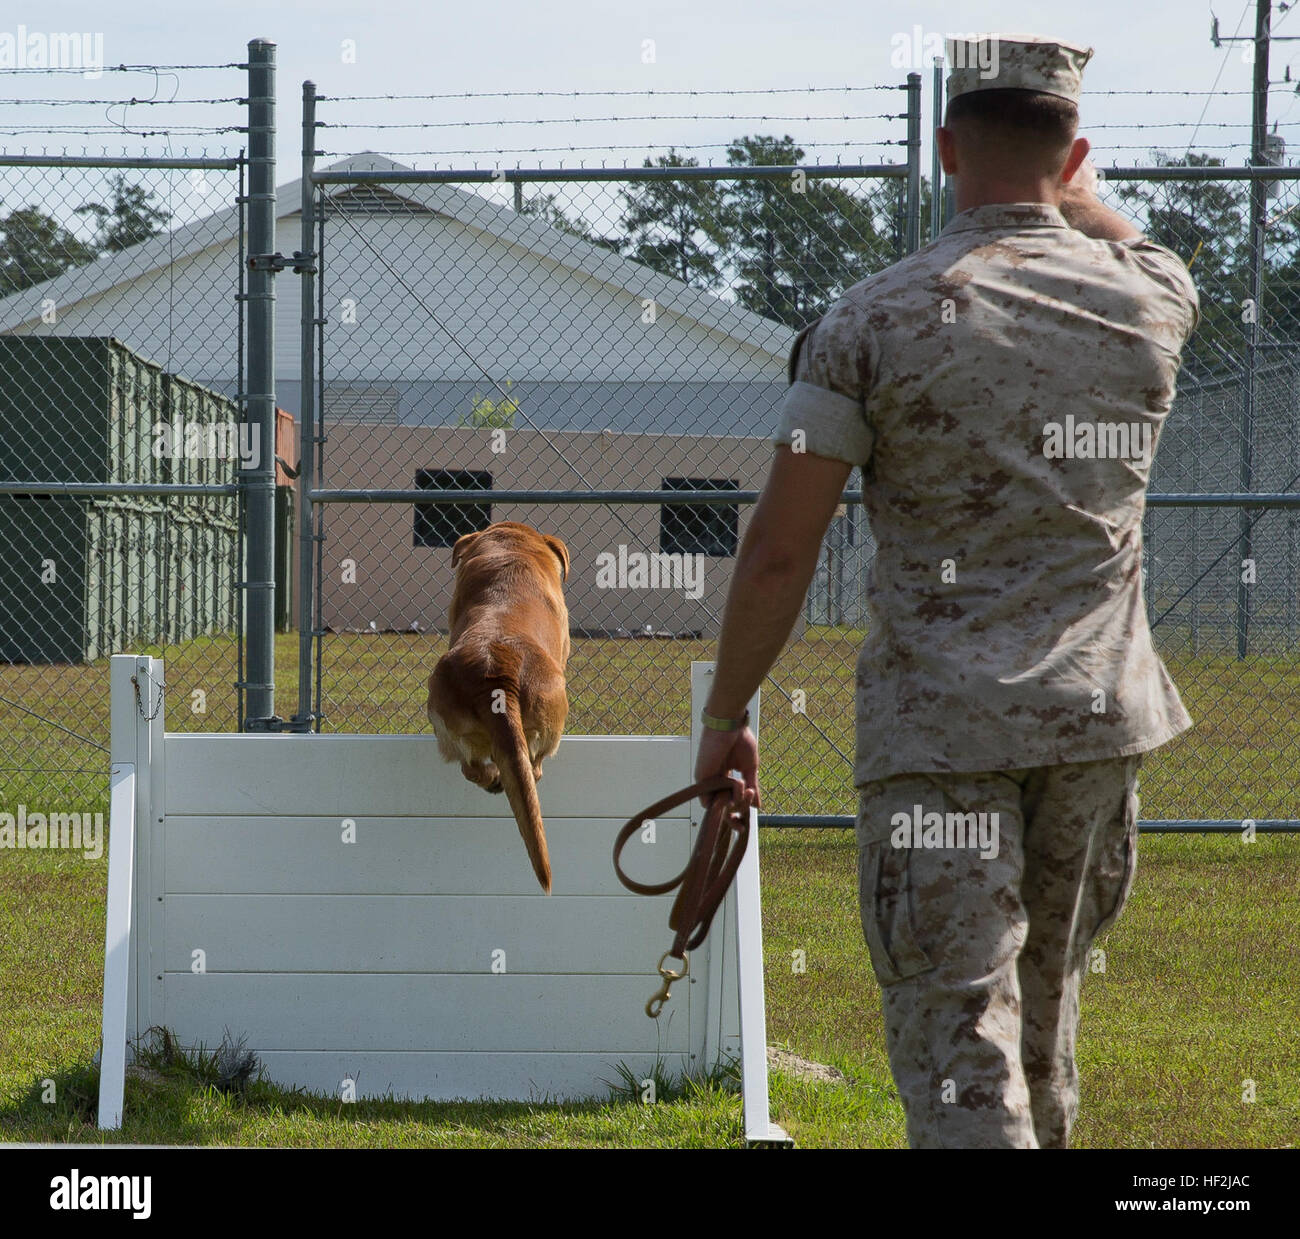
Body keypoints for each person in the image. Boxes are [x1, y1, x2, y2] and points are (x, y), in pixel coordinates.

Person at [693, 33, 1199, 1148]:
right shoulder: (1153, 298)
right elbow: (1119, 228)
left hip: (939, 732)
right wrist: (1075, 191)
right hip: (1094, 722)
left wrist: (725, 717)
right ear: (1075, 155)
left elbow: (779, 550)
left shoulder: (866, 323)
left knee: (959, 1035)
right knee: (1044, 1029)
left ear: (940, 149)